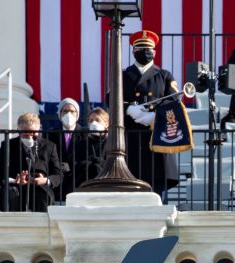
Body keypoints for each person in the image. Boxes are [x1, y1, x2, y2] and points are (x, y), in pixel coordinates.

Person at [121, 29, 180, 198]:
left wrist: (155, 115)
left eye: (149, 49)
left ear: (154, 52)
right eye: (141, 49)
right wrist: (129, 109)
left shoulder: (164, 76)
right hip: (132, 137)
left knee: (157, 191)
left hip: (157, 136)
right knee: (132, 187)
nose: (145, 52)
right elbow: (111, 99)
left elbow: (174, 100)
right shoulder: (123, 75)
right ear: (134, 51)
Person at [0, 112, 63, 212]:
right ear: (19, 130)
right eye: (26, 133)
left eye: (33, 133)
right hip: (14, 187)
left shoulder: (49, 146)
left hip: (40, 188)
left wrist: (45, 180)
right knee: (9, 195)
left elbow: (58, 175)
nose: (30, 136)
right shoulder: (7, 145)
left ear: (38, 131)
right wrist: (13, 180)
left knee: (43, 197)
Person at [50, 98, 81, 201]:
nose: (69, 114)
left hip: (77, 178)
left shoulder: (85, 133)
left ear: (77, 115)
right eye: (65, 111)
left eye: (72, 111)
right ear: (60, 114)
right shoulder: (51, 134)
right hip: (58, 179)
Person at [74, 108, 109, 188]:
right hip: (85, 184)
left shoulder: (112, 143)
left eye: (97, 120)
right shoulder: (81, 144)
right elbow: (76, 164)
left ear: (106, 124)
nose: (94, 123)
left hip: (106, 185)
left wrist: (100, 162)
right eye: (91, 121)